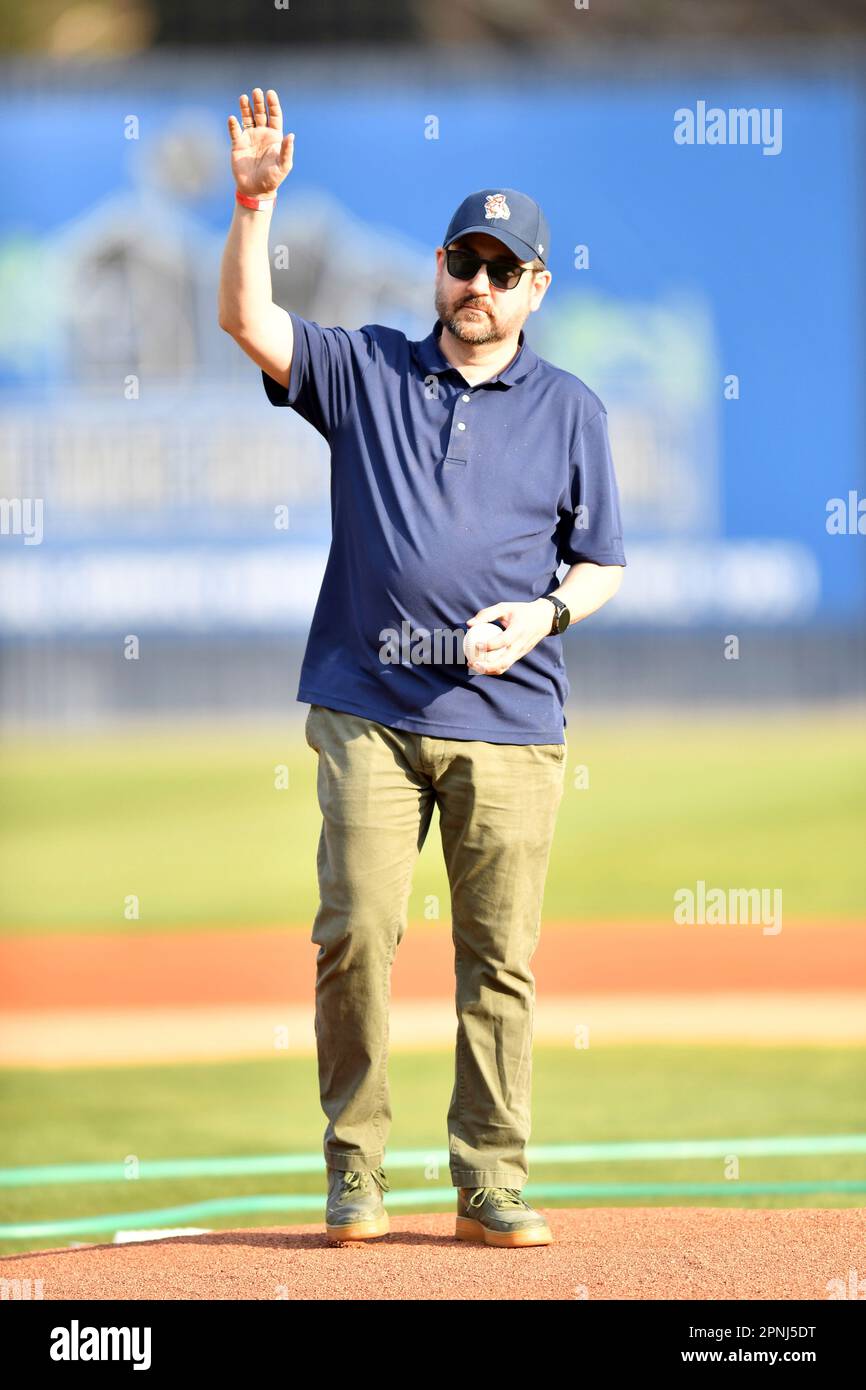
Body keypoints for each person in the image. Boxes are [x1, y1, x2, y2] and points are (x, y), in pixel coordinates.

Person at [218, 87, 626, 1249]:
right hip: (366, 707)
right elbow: (249, 321)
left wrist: (543, 615)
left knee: (498, 962)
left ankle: (487, 1177)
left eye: (504, 270)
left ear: (535, 287)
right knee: (353, 930)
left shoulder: (571, 411)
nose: (479, 286)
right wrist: (253, 205)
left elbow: (599, 565)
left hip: (511, 718)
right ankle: (355, 1171)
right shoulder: (366, 373)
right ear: (435, 268)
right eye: (463, 261)